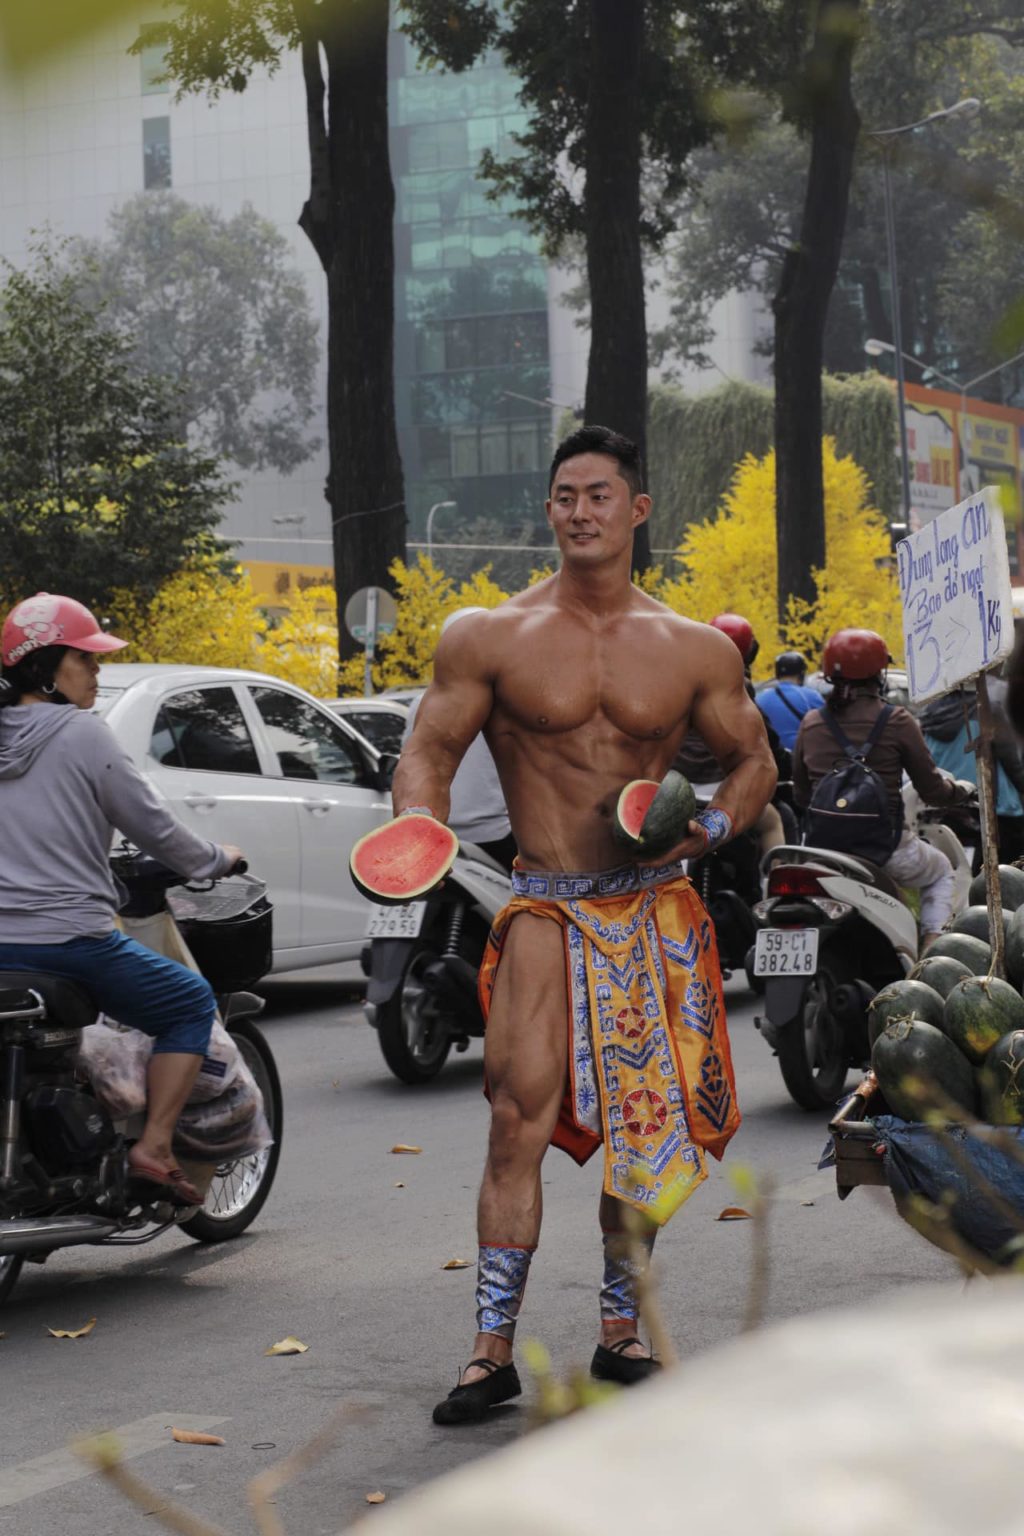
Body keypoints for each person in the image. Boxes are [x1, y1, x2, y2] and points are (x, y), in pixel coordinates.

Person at [393, 425, 777, 1425]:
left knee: (645, 1137)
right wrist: (416, 826)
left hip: (651, 912)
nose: (579, 512)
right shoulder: (488, 635)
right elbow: (427, 748)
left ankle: (620, 1330)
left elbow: (752, 761)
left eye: (599, 495)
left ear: (637, 510)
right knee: (513, 1121)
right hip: (545, 911)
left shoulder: (690, 647)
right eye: (564, 495)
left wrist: (704, 828)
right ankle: (488, 1353)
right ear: (549, 508)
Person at [0, 593, 243, 1205]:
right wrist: (214, 859)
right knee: (188, 999)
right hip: (70, 943)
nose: (97, 673)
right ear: (47, 668)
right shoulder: (83, 734)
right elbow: (155, 829)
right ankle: (155, 1147)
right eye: (87, 660)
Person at [792, 628, 974, 947]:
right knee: (942, 871)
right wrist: (960, 791)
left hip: (822, 852)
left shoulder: (811, 722)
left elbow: (802, 795)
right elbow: (931, 790)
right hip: (887, 850)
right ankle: (931, 954)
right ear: (879, 672)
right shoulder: (898, 720)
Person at [399, 607, 516, 873]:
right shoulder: (506, 705)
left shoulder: (419, 704)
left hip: (434, 833)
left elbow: (410, 762)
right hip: (493, 834)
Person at [920, 683, 1024, 867]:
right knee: (1008, 872)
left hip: (944, 804)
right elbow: (1011, 761)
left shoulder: (930, 712)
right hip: (993, 808)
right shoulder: (988, 710)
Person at [756, 651, 823, 753]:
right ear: (801, 673)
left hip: (770, 757)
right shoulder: (811, 696)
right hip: (801, 756)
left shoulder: (760, 698)